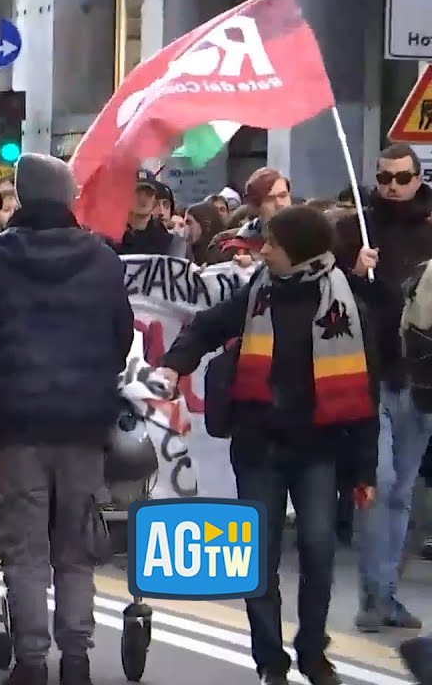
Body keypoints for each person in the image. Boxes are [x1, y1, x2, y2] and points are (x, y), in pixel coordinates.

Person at [157, 205, 379, 685]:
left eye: (273, 244)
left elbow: (366, 395)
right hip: (259, 448)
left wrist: (364, 471)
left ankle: (313, 652)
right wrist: (176, 363)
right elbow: (205, 326)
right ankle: (270, 662)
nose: (265, 251)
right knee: (258, 558)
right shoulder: (258, 292)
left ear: (297, 251)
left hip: (318, 452)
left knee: (319, 552)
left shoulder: (350, 305)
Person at [0, 153, 131, 685]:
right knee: (75, 544)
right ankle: (76, 656)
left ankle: (30, 660)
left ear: (21, 198)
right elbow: (120, 337)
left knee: (24, 544)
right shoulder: (101, 258)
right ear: (70, 195)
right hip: (83, 417)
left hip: (14, 418)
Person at [334, 143, 432, 632]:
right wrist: (353, 271)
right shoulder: (353, 228)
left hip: (420, 378)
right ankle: (374, 595)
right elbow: (325, 293)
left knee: (401, 491)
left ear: (417, 178)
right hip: (368, 375)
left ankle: (385, 593)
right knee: (381, 482)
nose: (392, 186)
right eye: (384, 177)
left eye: (402, 177)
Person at [209, 167, 293, 264]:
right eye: (269, 199)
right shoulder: (229, 243)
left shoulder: (308, 236)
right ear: (255, 206)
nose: (280, 204)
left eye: (283, 196)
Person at [114, 178, 189, 257]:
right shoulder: (111, 241)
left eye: (149, 194)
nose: (144, 198)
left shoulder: (170, 243)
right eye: (138, 193)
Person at [183, 200, 227, 265]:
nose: (184, 227)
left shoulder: (223, 252)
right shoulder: (186, 251)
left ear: (206, 224)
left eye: (188, 222)